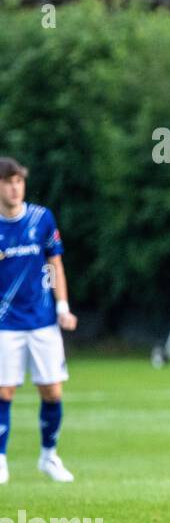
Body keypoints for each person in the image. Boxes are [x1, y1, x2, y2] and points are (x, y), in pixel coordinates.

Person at [0, 156, 77, 484]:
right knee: (4, 392)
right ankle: (0, 458)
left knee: (52, 392)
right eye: (8, 182)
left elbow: (56, 264)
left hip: (43, 321)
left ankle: (49, 456)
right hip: (5, 324)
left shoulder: (41, 218)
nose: (15, 188)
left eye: (19, 181)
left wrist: (62, 307)